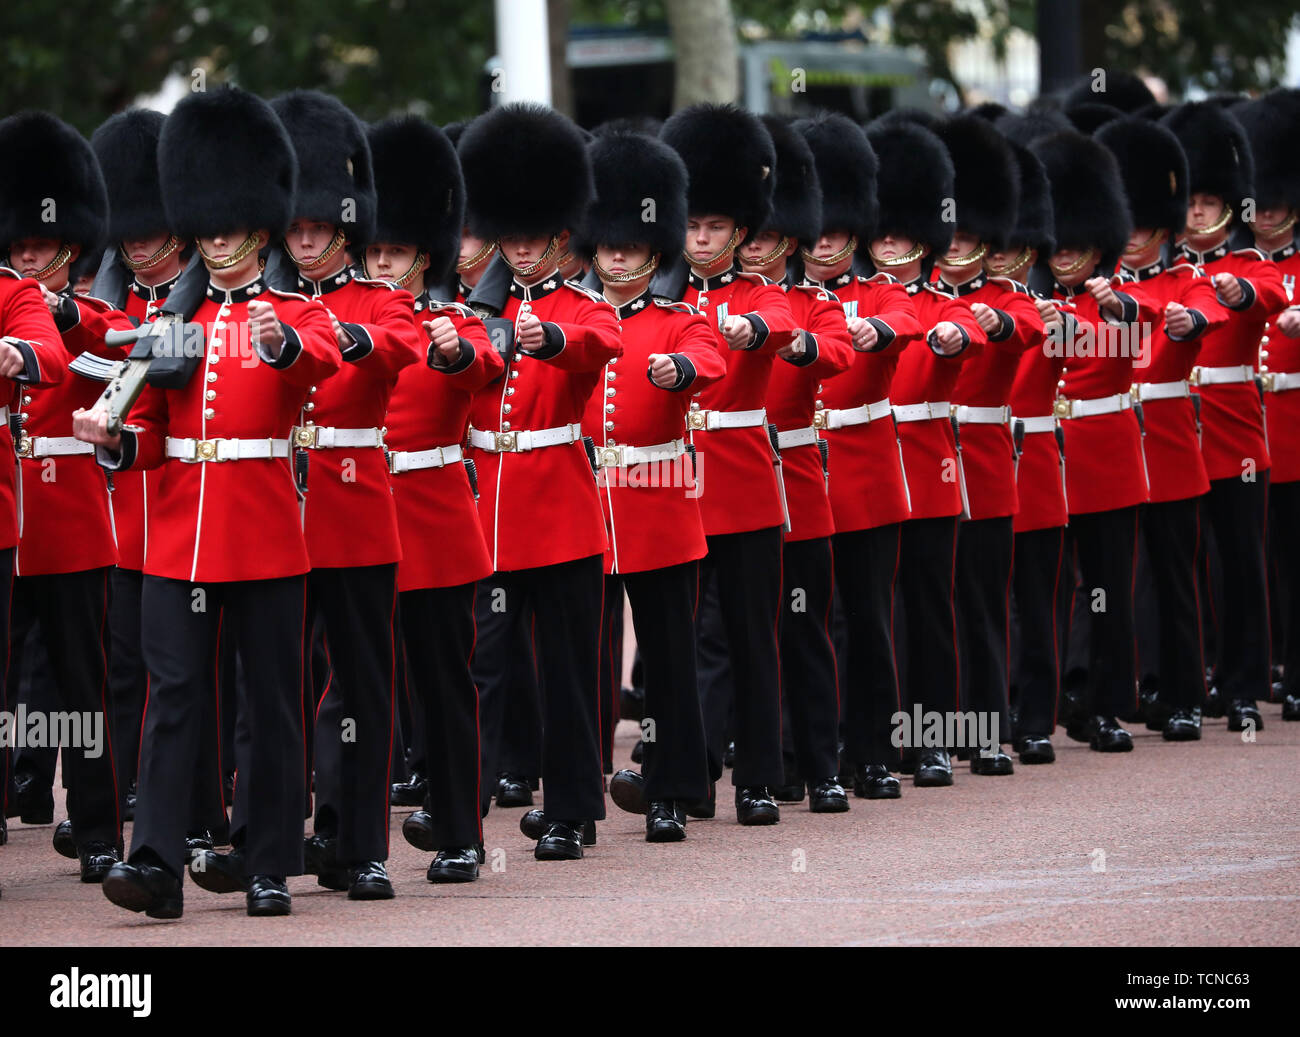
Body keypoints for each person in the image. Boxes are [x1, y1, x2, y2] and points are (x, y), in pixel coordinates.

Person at [76, 85, 341, 919]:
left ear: (259, 230)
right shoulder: (168, 321)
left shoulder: (295, 310)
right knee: (173, 698)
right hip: (181, 536)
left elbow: (320, 363)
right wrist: (114, 436)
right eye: (209, 226)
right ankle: (155, 859)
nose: (218, 239)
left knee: (270, 703)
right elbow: (151, 432)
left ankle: (267, 859)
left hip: (263, 531)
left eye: (231, 227)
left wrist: (283, 343)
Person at [457, 103, 622, 860]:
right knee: (483, 662)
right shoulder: (475, 307)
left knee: (565, 671)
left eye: (531, 240)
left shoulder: (580, 304)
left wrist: (550, 337)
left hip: (557, 505)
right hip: (490, 506)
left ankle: (572, 811)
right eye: (509, 239)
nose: (518, 253)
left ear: (560, 238)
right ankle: (467, 804)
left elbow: (601, 343)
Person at [363, 114, 501, 880]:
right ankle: (353, 838)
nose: (383, 265)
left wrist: (455, 354)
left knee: (445, 683)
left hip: (435, 522)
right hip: (356, 518)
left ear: (425, 257)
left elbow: (484, 364)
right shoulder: (337, 323)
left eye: (396, 253)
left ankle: (459, 830)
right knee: (354, 688)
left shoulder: (455, 324)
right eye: (375, 250)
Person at [583, 127, 724, 841]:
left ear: (654, 250)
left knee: (668, 658)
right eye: (607, 243)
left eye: (630, 245)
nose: (616, 253)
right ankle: (578, 795)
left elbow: (711, 359)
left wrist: (682, 374)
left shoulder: (678, 320)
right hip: (585, 505)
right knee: (585, 661)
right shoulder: (568, 319)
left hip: (659, 500)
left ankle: (673, 786)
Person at [660, 103, 798, 824]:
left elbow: (782, 324)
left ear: (741, 231)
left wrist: (750, 328)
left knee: (749, 631)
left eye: (715, 226)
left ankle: (758, 776)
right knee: (687, 638)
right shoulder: (664, 298)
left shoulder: (759, 293)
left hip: (741, 475)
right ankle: (690, 773)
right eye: (693, 224)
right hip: (677, 481)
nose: (701, 237)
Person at [0, 110, 127, 881]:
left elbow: (121, 343)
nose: (30, 257)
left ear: (70, 249)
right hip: (14, 509)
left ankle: (97, 824)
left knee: (85, 677)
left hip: (71, 510)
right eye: (19, 246)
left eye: (42, 248)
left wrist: (67, 313)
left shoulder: (88, 312)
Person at [795, 112, 921, 798]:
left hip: (865, 471)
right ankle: (810, 748)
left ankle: (872, 748)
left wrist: (871, 331)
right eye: (815, 233)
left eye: (837, 234)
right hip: (798, 474)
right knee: (806, 619)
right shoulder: (780, 299)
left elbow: (903, 323)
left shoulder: (880, 291)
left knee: (867, 619)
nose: (823, 245)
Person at [865, 115, 988, 786]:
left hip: (930, 467)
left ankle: (935, 737)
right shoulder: (850, 302)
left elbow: (963, 333)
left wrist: (950, 340)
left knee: (930, 607)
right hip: (875, 470)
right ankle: (883, 738)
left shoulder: (946, 304)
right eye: (878, 233)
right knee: (876, 614)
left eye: (898, 234)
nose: (886, 245)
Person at [1096, 115, 1227, 740]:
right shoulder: (1099, 288)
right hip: (1119, 440)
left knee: (1177, 573)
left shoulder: (1185, 279)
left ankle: (1185, 692)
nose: (1133, 237)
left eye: (1144, 226)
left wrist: (1185, 323)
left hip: (1168, 438)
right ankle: (1134, 683)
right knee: (1125, 578)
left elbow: (1200, 313)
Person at [737, 116, 853, 810]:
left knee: (803, 626)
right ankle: (763, 759)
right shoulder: (704, 303)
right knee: (740, 634)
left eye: (760, 236)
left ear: (787, 240)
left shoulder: (816, 306)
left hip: (796, 477)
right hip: (729, 481)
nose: (750, 248)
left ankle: (822, 762)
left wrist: (799, 347)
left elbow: (835, 353)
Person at [1162, 101, 1289, 733]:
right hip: (1175, 430)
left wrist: (1234, 294)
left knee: (1241, 561)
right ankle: (1194, 674)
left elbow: (1263, 294)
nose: (1196, 213)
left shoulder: (1249, 267)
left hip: (1235, 430)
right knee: (1184, 565)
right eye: (1189, 202)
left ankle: (1244, 682)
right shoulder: (1159, 277)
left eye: (1209, 203)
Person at [1030, 127, 1158, 752]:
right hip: (1044, 455)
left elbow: (1140, 337)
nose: (1064, 253)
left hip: (1102, 452)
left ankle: (1106, 703)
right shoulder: (1027, 301)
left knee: (1108, 587)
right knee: (1046, 592)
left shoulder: (1118, 301)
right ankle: (1047, 703)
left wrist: (1115, 310)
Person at [939, 115, 1047, 773]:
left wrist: (991, 319)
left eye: (968, 239)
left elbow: (1023, 330)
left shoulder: (1007, 298)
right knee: (926, 606)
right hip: (918, 464)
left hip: (980, 462)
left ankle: (984, 727)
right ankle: (927, 727)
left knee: (980, 603)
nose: (955, 249)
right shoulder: (912, 298)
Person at [1233, 89, 1300, 723]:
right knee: (1254, 554)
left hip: (1297, 428)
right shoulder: (1233, 267)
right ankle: (1261, 665)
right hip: (1252, 424)